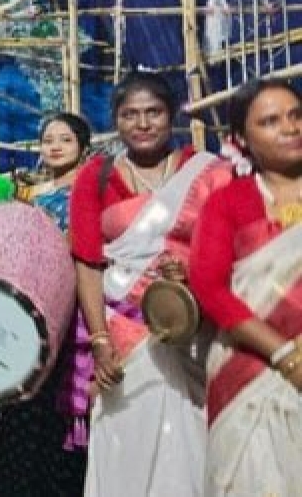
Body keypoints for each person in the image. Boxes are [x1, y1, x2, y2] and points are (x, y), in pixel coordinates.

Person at [69, 71, 229, 497]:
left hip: (194, 328)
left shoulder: (208, 172)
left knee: (192, 438)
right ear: (116, 120)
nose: (142, 123)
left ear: (172, 115)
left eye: (153, 112)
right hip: (123, 328)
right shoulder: (96, 177)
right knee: (125, 438)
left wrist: (191, 273)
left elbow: (229, 249)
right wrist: (99, 339)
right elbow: (87, 262)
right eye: (130, 114)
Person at [190, 79, 302, 496]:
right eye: (270, 121)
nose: (290, 128)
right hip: (250, 371)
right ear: (241, 138)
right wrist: (286, 355)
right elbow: (209, 287)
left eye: (296, 115)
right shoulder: (228, 202)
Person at [0, 112, 92, 496]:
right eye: (48, 140)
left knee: (60, 407)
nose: (55, 146)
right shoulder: (28, 195)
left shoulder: (90, 192)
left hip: (72, 310)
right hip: (28, 311)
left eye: (65, 139)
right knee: (21, 403)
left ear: (83, 146)